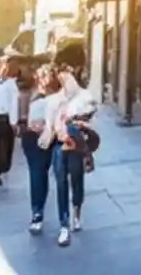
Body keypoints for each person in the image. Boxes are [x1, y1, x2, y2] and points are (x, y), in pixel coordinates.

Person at [38, 70, 86, 246]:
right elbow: (49, 125)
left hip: (76, 145)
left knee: (77, 180)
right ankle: (64, 223)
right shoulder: (52, 102)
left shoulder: (81, 100)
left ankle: (77, 213)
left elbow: (88, 123)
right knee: (61, 183)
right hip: (60, 145)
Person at [20, 66, 56, 234]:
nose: (43, 79)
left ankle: (38, 211)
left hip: (48, 135)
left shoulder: (54, 96)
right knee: (38, 173)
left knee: (40, 172)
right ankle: (37, 211)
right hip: (33, 137)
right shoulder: (26, 94)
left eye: (46, 76)